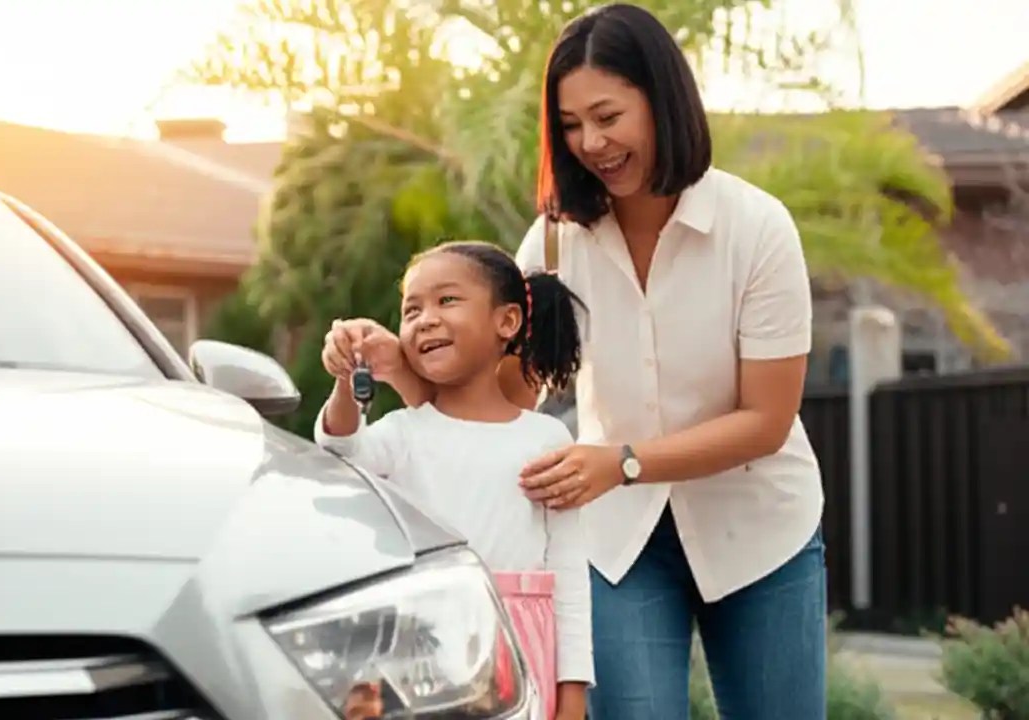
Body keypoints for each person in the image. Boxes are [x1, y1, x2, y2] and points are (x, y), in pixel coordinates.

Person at [324, 4, 827, 718]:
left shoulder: (756, 229)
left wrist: (619, 461)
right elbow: (497, 402)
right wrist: (400, 363)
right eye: (569, 126)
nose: (591, 142)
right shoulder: (556, 245)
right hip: (620, 543)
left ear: (661, 101)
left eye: (607, 116)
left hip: (760, 534)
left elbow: (766, 421)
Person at [316, 240, 593, 719]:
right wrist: (346, 380)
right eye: (411, 309)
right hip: (420, 649)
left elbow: (569, 575)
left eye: (447, 300)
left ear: (506, 322)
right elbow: (341, 449)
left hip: (521, 650)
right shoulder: (403, 433)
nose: (425, 319)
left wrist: (572, 696)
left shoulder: (546, 438)